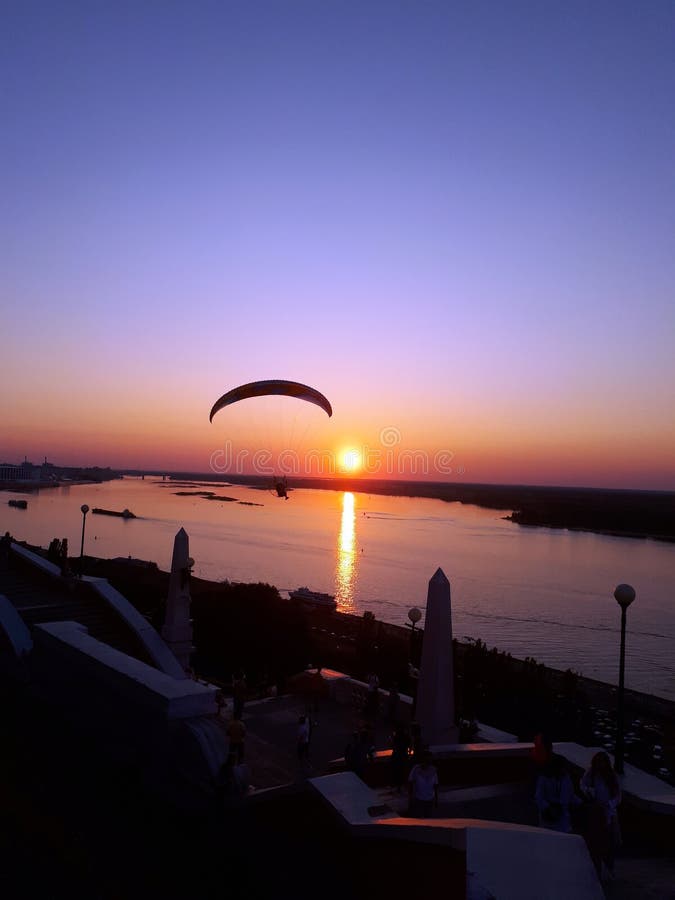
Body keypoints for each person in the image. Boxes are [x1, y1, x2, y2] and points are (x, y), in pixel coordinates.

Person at [580, 751, 622, 879]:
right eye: (598, 762)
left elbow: (618, 795)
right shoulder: (590, 773)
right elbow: (582, 784)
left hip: (608, 813)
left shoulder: (612, 776)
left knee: (610, 843)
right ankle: (597, 869)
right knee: (595, 842)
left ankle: (609, 867)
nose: (600, 765)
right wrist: (588, 792)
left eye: (602, 762)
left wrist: (609, 805)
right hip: (595, 813)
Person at [534, 753, 581, 833]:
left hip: (563, 817)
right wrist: (548, 807)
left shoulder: (566, 778)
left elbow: (570, 794)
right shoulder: (544, 778)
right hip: (549, 816)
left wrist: (581, 803)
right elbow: (538, 796)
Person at [408, 749, 439, 818]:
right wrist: (410, 798)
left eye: (430, 760)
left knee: (428, 819)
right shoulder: (416, 769)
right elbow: (410, 783)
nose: (429, 761)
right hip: (418, 799)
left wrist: (436, 799)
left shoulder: (433, 770)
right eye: (427, 759)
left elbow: (435, 785)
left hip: (430, 799)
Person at [390, 723, 411, 793]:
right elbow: (409, 745)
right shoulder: (404, 736)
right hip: (402, 755)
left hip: (399, 756)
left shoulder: (397, 737)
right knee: (402, 771)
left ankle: (400, 786)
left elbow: (393, 746)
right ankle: (402, 786)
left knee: (399, 771)